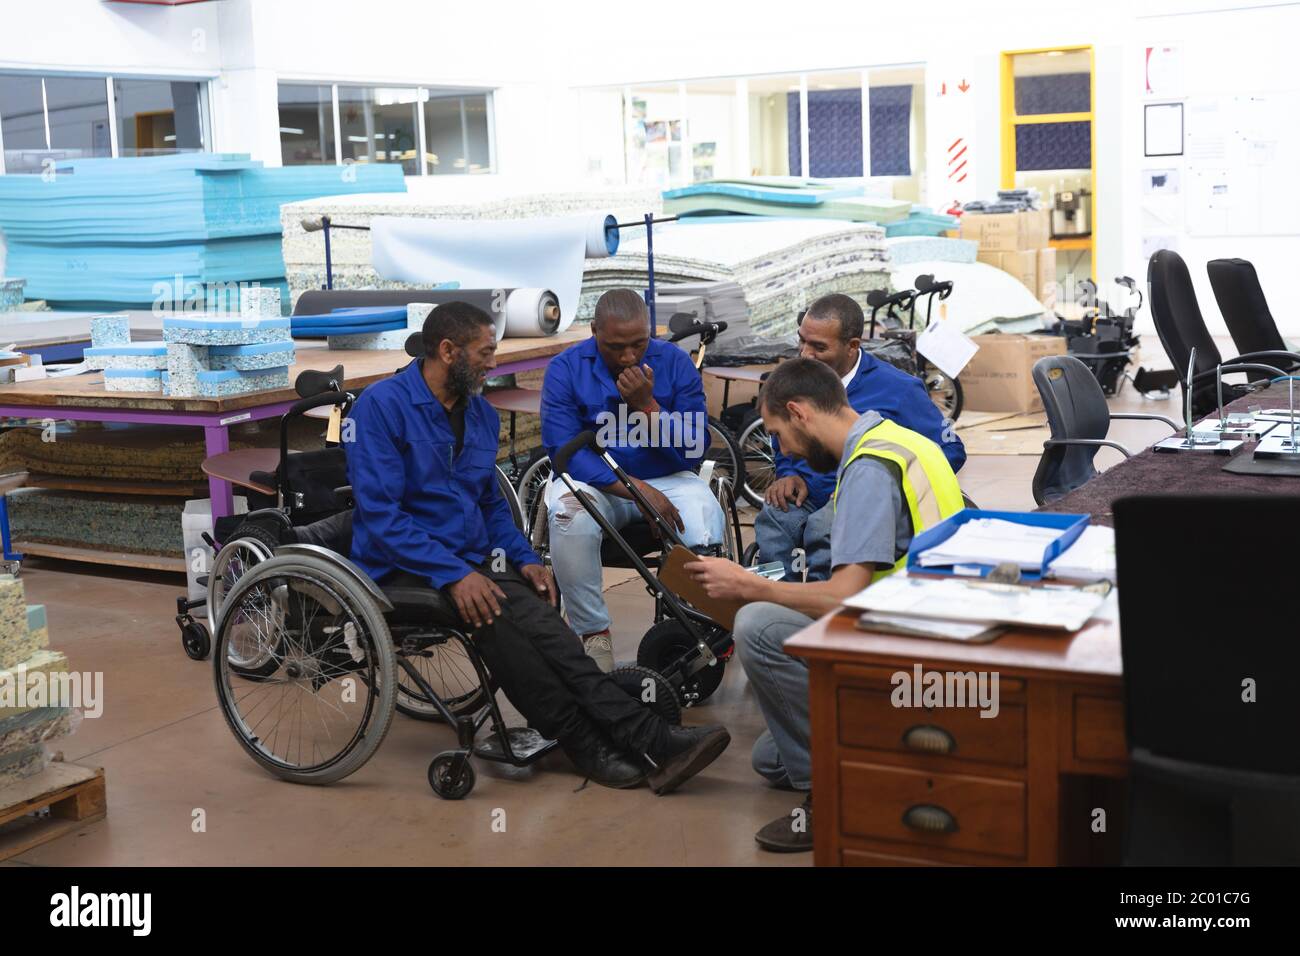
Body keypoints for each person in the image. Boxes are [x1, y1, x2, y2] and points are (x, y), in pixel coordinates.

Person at [346, 300, 730, 793]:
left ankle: (645, 734)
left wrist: (526, 560)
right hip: (403, 566)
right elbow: (381, 518)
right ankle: (582, 742)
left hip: (472, 561)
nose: (494, 363)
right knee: (502, 626)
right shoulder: (381, 409)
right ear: (447, 351)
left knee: (552, 631)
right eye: (485, 353)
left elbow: (489, 505)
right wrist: (455, 574)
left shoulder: (479, 415)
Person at [686, 358, 964, 851]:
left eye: (777, 433)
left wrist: (750, 585)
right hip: (937, 630)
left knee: (756, 624)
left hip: (907, 648)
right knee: (771, 758)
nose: (782, 450)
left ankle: (836, 793)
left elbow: (846, 594)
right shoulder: (903, 442)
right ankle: (881, 754)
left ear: (799, 413)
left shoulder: (870, 470)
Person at [541, 288, 725, 671]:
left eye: (638, 344)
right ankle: (594, 636)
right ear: (594, 331)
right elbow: (565, 454)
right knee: (569, 517)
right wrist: (637, 490)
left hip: (668, 477)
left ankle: (696, 624)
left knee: (703, 515)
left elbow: (696, 448)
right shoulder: (566, 369)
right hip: (600, 483)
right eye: (614, 347)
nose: (628, 356)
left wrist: (649, 407)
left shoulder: (675, 363)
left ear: (649, 333)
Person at [755, 293, 965, 582]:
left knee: (823, 527)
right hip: (807, 493)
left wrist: (880, 487)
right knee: (774, 520)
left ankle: (813, 603)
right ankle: (772, 595)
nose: (805, 353)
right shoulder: (797, 381)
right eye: (801, 340)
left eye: (818, 346)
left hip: (862, 496)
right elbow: (784, 434)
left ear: (852, 346)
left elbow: (950, 449)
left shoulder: (899, 389)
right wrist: (788, 473)